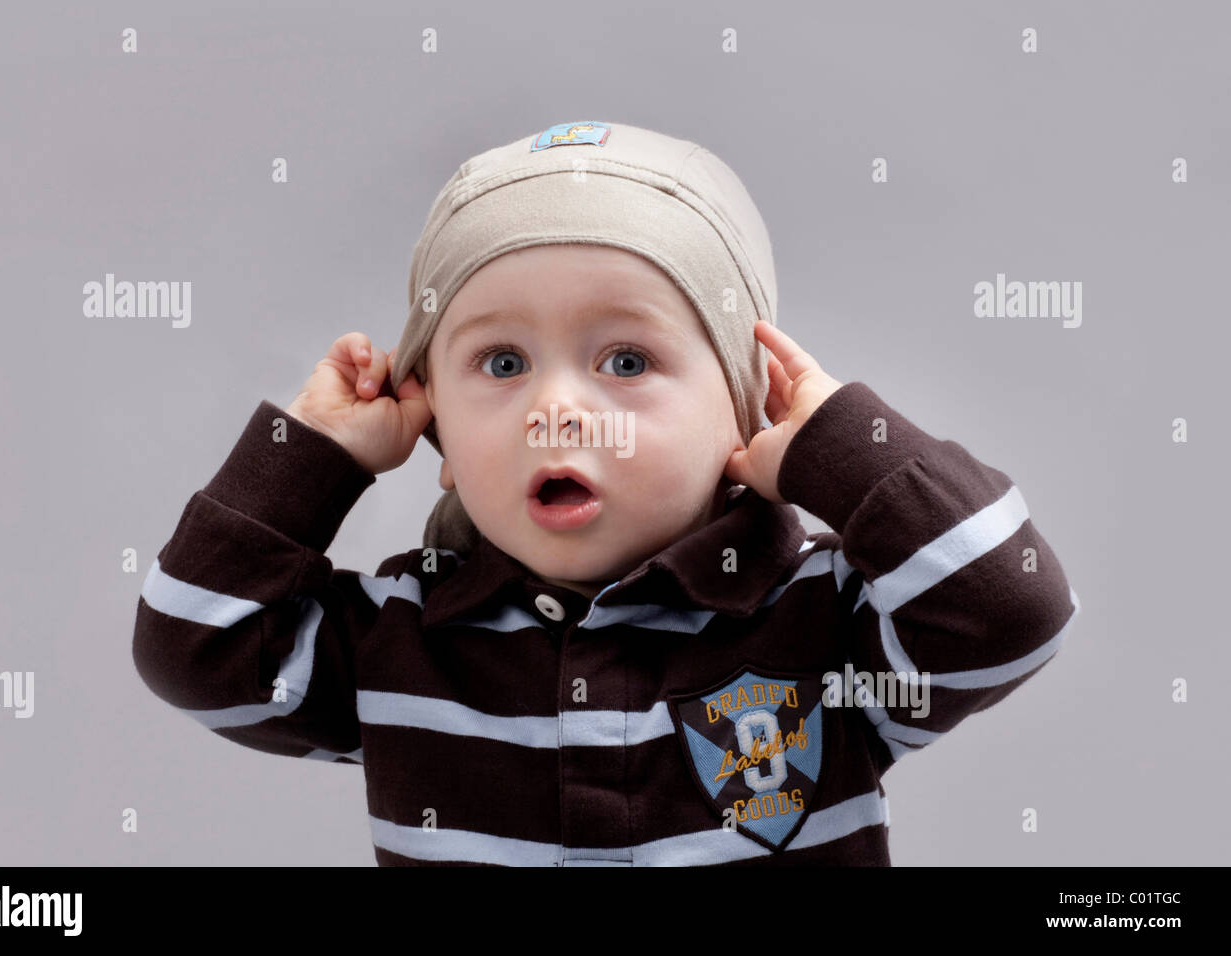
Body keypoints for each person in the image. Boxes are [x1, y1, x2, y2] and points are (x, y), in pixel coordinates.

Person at [132, 120, 1080, 865]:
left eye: (625, 359)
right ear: (440, 438)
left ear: (745, 419)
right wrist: (315, 458)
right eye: (501, 362)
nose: (555, 410)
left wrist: (838, 447)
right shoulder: (402, 641)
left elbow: (1011, 607)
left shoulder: (817, 623)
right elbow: (194, 653)